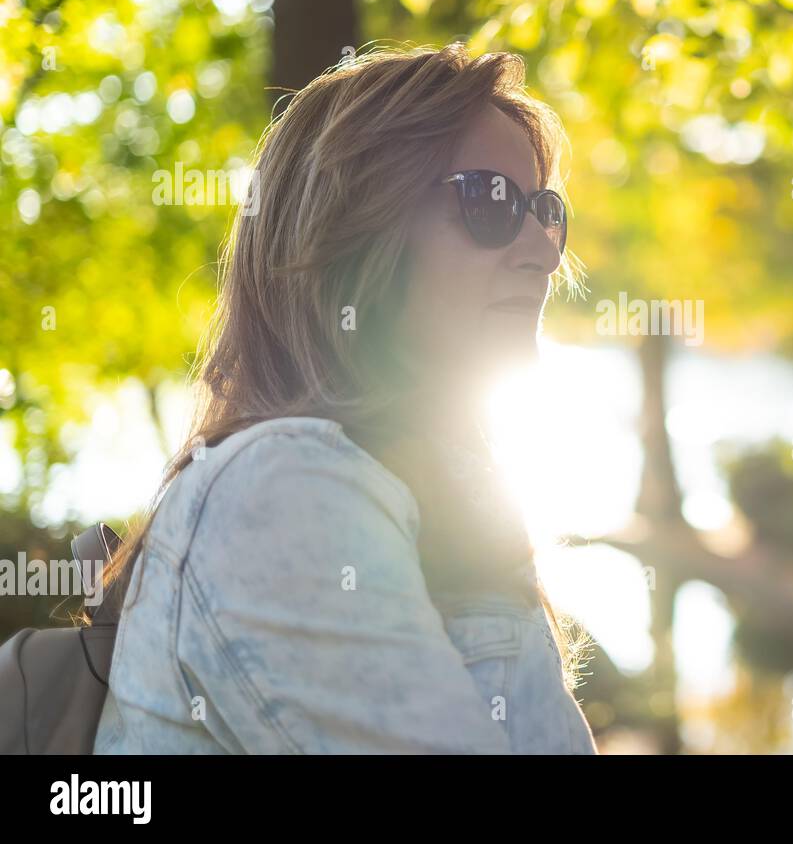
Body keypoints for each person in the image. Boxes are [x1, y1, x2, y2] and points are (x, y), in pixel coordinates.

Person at [94, 44, 598, 753]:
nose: (543, 253)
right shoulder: (280, 490)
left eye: (544, 210)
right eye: (488, 200)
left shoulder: (447, 486)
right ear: (356, 228)